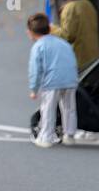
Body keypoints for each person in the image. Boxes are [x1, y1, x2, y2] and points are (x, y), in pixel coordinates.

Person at [27, 12, 78, 147]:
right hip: (70, 79)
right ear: (49, 29)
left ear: (30, 32)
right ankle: (70, 135)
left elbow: (35, 71)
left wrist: (34, 89)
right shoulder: (63, 43)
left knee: (48, 109)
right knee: (69, 108)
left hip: (52, 82)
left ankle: (46, 137)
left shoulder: (38, 46)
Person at [49, 0, 99, 71]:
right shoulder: (87, 3)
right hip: (92, 58)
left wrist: (52, 29)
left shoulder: (69, 8)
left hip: (78, 61)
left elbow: (67, 36)